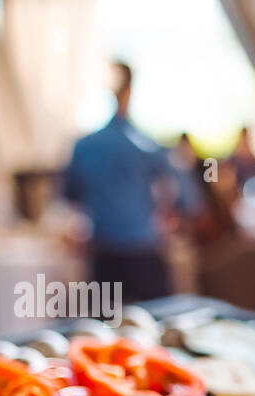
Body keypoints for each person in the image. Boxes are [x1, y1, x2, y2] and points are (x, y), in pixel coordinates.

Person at [63, 63, 186, 302]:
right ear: (129, 91)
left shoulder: (85, 146)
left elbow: (70, 196)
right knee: (159, 323)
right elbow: (186, 197)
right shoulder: (147, 145)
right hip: (143, 252)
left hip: (103, 255)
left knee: (102, 332)